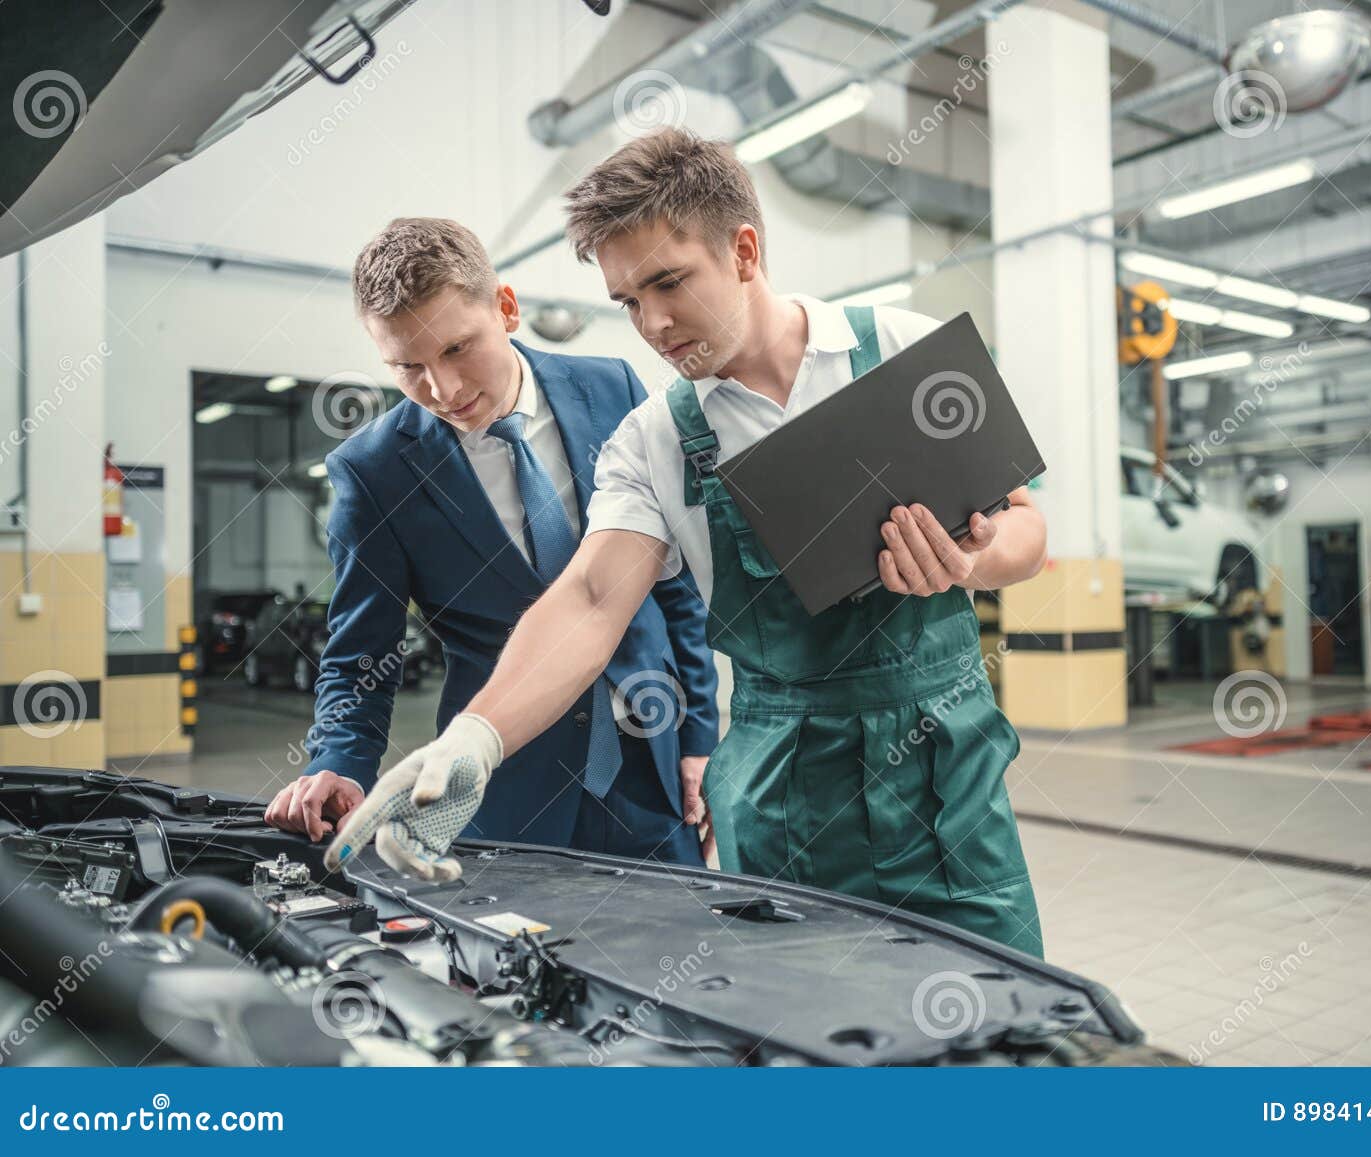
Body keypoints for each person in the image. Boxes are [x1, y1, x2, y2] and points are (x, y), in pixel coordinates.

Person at [328, 134, 1047, 956]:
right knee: (798, 1046)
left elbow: (1026, 527)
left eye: (669, 282)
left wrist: (973, 563)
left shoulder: (906, 349)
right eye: (629, 300)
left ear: (743, 250)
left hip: (947, 784)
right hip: (783, 800)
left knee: (1009, 1028)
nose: (654, 324)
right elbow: (593, 597)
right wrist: (475, 739)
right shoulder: (655, 440)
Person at [263, 217, 717, 866]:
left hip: (653, 768)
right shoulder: (375, 473)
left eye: (456, 349)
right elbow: (361, 654)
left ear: (506, 309)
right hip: (505, 788)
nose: (443, 390)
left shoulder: (611, 389)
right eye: (407, 367)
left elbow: (675, 586)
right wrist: (338, 763)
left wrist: (701, 733)